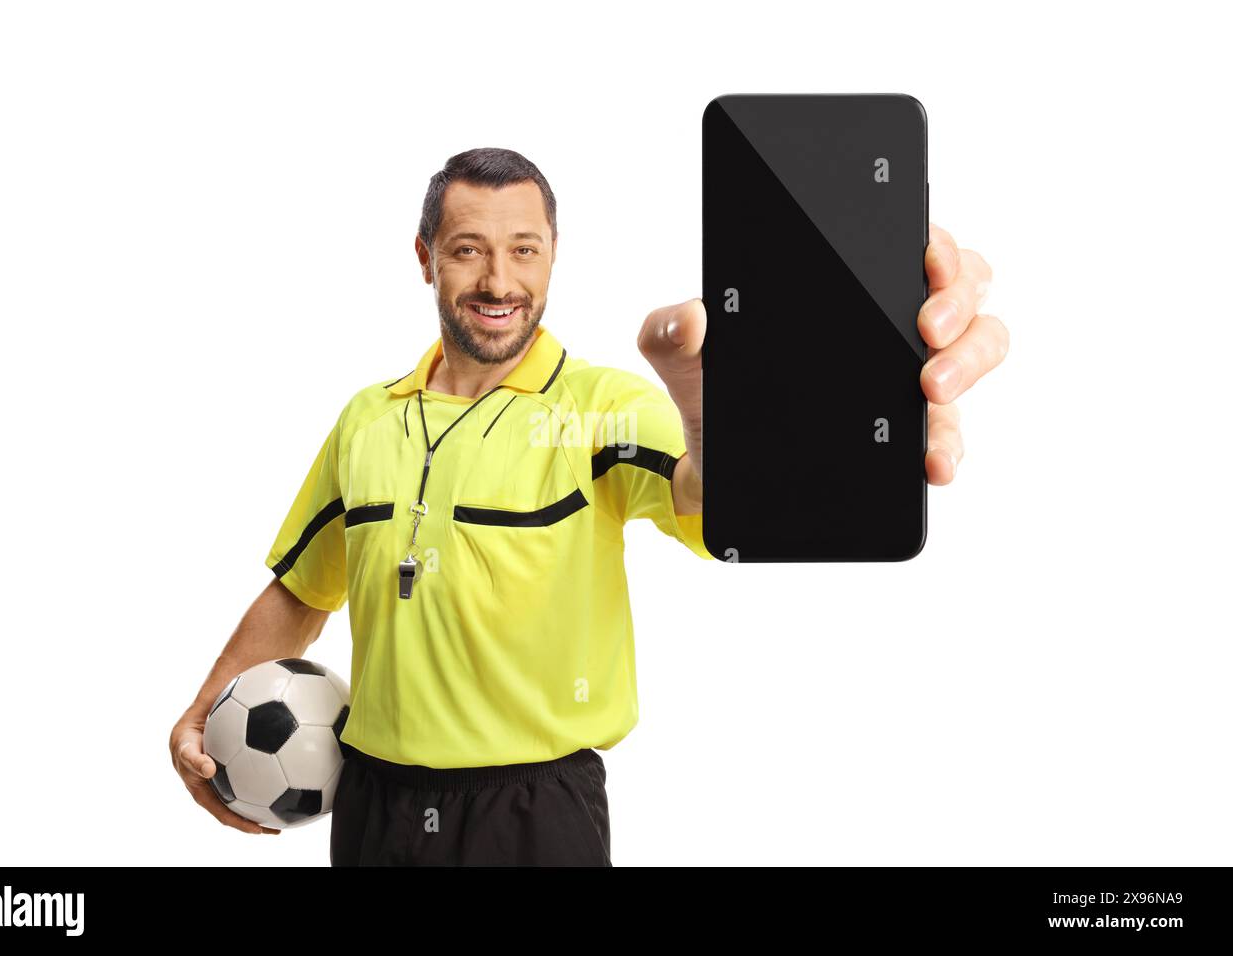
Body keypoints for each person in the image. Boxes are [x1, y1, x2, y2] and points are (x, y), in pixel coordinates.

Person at [169, 147, 1008, 865]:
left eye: (524, 250)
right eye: (469, 250)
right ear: (424, 256)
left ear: (554, 255)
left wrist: (803, 421)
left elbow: (708, 489)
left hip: (535, 815)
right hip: (373, 807)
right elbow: (304, 589)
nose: (500, 280)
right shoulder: (367, 418)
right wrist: (205, 712)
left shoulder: (601, 406)